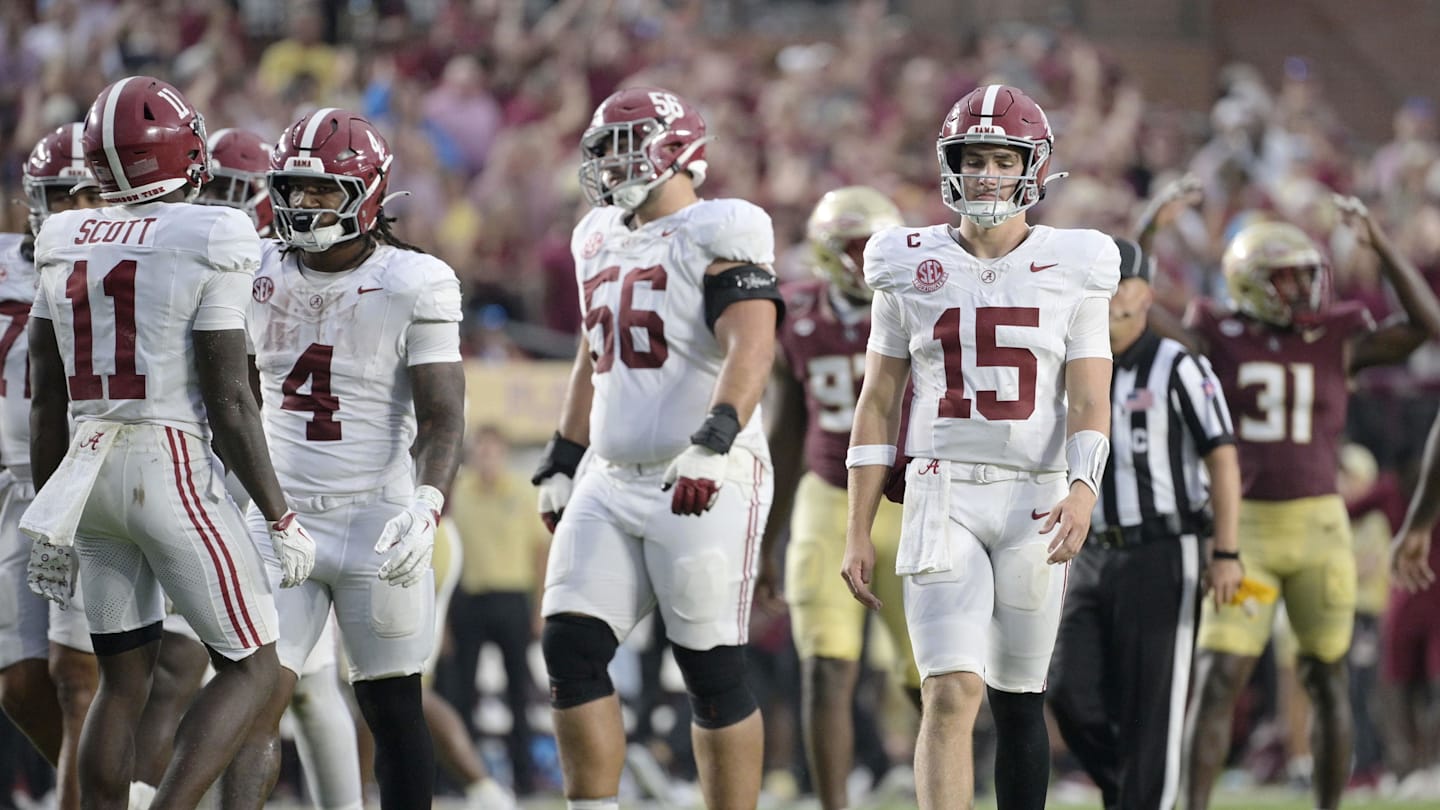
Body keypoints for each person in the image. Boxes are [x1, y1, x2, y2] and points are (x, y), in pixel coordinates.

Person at [22, 75, 315, 810]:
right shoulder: (212, 231)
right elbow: (232, 399)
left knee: (121, 683)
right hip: (167, 461)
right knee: (254, 667)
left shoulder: (60, 235)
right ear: (179, 150)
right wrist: (279, 515)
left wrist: (53, 509)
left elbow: (46, 397)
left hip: (86, 469)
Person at [842, 84, 1119, 810]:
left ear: (1033, 166)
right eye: (975, 159)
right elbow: (877, 402)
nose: (988, 174)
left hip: (1037, 491)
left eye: (1003, 158)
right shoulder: (905, 261)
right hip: (943, 488)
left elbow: (1091, 396)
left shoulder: (1080, 260)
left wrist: (1084, 487)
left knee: (1020, 699)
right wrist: (857, 528)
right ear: (951, 165)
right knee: (950, 690)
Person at [530, 85, 783, 810]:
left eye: (625, 144)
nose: (611, 163)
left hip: (702, 472)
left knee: (710, 668)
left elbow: (752, 337)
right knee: (570, 651)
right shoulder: (597, 236)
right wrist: (562, 455)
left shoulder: (720, 226)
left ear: (678, 148)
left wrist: (717, 435)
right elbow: (592, 352)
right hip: (610, 478)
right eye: (604, 148)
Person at [225, 107, 467, 810]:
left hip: (376, 519)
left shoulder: (413, 280)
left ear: (366, 192)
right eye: (293, 189)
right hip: (281, 518)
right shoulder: (255, 267)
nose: (302, 205)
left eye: (322, 191)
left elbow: (444, 417)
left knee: (392, 710)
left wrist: (426, 506)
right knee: (251, 705)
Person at [1170, 196, 1440, 810]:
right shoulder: (1217, 330)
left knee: (1327, 679)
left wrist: (1381, 244)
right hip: (1248, 536)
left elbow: (1426, 325)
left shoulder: (1334, 337)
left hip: (1321, 529)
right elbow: (1144, 327)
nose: (1300, 287)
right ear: (1248, 282)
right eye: (1284, 275)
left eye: (1304, 272)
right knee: (1219, 677)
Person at [195, 124, 367, 810]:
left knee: (287, 679)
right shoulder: (183, 254)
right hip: (207, 478)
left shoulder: (277, 271)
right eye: (220, 190)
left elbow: (254, 401)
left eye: (245, 193)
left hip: (253, 484)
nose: (231, 208)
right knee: (273, 679)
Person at [1046, 237, 1242, 810]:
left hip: (1163, 548)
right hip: (1090, 551)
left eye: (1113, 284)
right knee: (1066, 691)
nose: (1101, 296)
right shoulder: (1068, 363)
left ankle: (1141, 796)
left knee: (1151, 708)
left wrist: (1225, 552)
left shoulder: (1177, 364)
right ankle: (1132, 793)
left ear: (1141, 294)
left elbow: (1222, 460)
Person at [761, 185, 919, 810]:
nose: (860, 262)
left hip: (912, 499)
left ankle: (951, 784)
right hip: (828, 496)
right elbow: (787, 431)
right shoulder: (797, 314)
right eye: (849, 249)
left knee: (930, 675)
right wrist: (767, 541)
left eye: (869, 247)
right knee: (826, 664)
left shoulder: (920, 304)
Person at [0, 122, 103, 810]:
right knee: (18, 683)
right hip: (11, 485)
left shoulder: (123, 267)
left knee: (78, 678)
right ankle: (122, 788)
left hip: (84, 481)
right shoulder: (8, 257)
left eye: (83, 196)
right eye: (57, 195)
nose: (69, 210)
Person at [446, 425, 546, 797]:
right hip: (468, 600)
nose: (486, 459)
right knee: (462, 691)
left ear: (502, 454)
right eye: (480, 452)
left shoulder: (522, 491)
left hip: (512, 599)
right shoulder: (458, 494)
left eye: (492, 451)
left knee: (519, 693)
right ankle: (466, 779)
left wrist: (538, 609)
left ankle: (524, 778)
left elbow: (540, 552)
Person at [1388, 409, 1440, 794]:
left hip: (1414, 603)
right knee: (1403, 690)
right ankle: (1414, 767)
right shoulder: (1390, 490)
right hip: (1409, 605)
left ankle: (1426, 766)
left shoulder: (1393, 490)